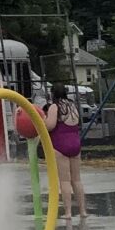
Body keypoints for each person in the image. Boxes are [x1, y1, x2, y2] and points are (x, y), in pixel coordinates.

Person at [43, 84, 86, 219]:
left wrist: (43, 119)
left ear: (53, 94)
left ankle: (68, 212)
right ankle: (83, 211)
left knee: (65, 181)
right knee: (77, 180)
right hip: (75, 143)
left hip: (60, 144)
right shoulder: (72, 106)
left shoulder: (55, 107)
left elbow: (50, 126)